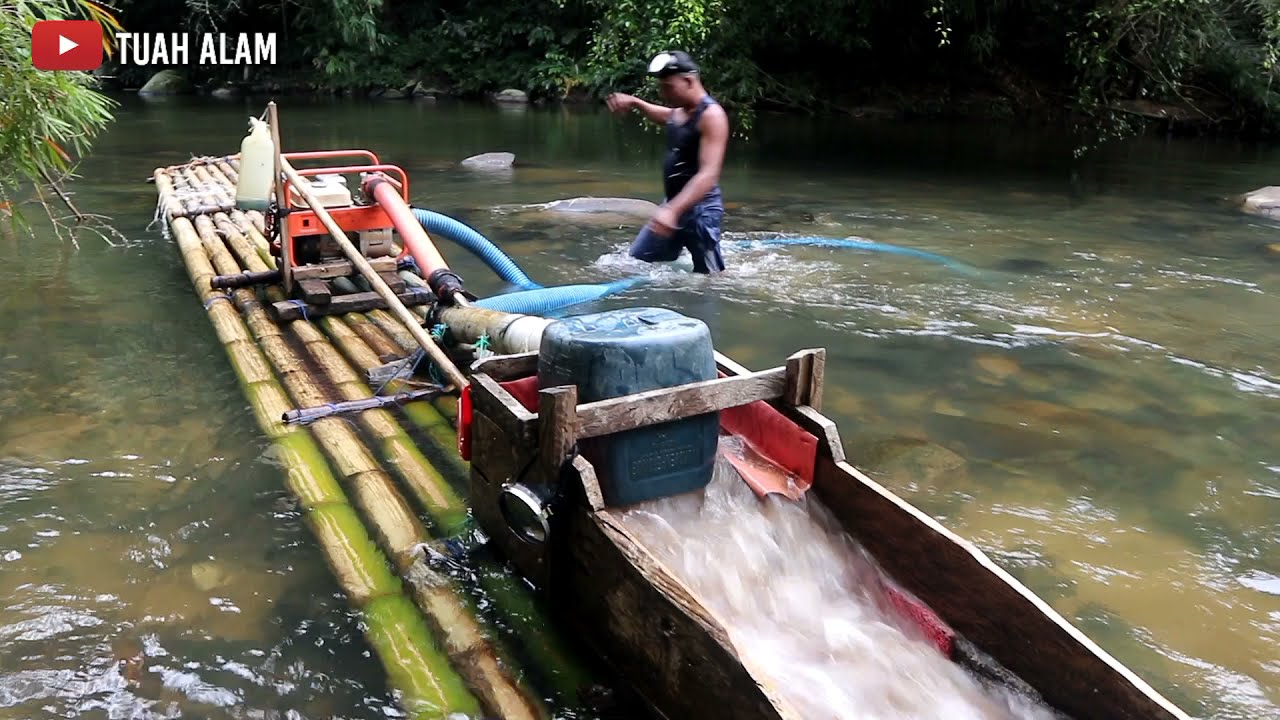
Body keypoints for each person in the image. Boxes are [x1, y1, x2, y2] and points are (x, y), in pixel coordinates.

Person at [606, 51, 730, 274]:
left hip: (700, 212)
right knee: (633, 264)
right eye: (661, 87)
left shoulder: (712, 116)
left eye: (668, 87)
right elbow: (667, 117)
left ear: (688, 81)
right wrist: (636, 103)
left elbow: (708, 175)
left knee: (711, 281)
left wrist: (673, 210)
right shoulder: (682, 111)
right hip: (672, 206)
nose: (663, 93)